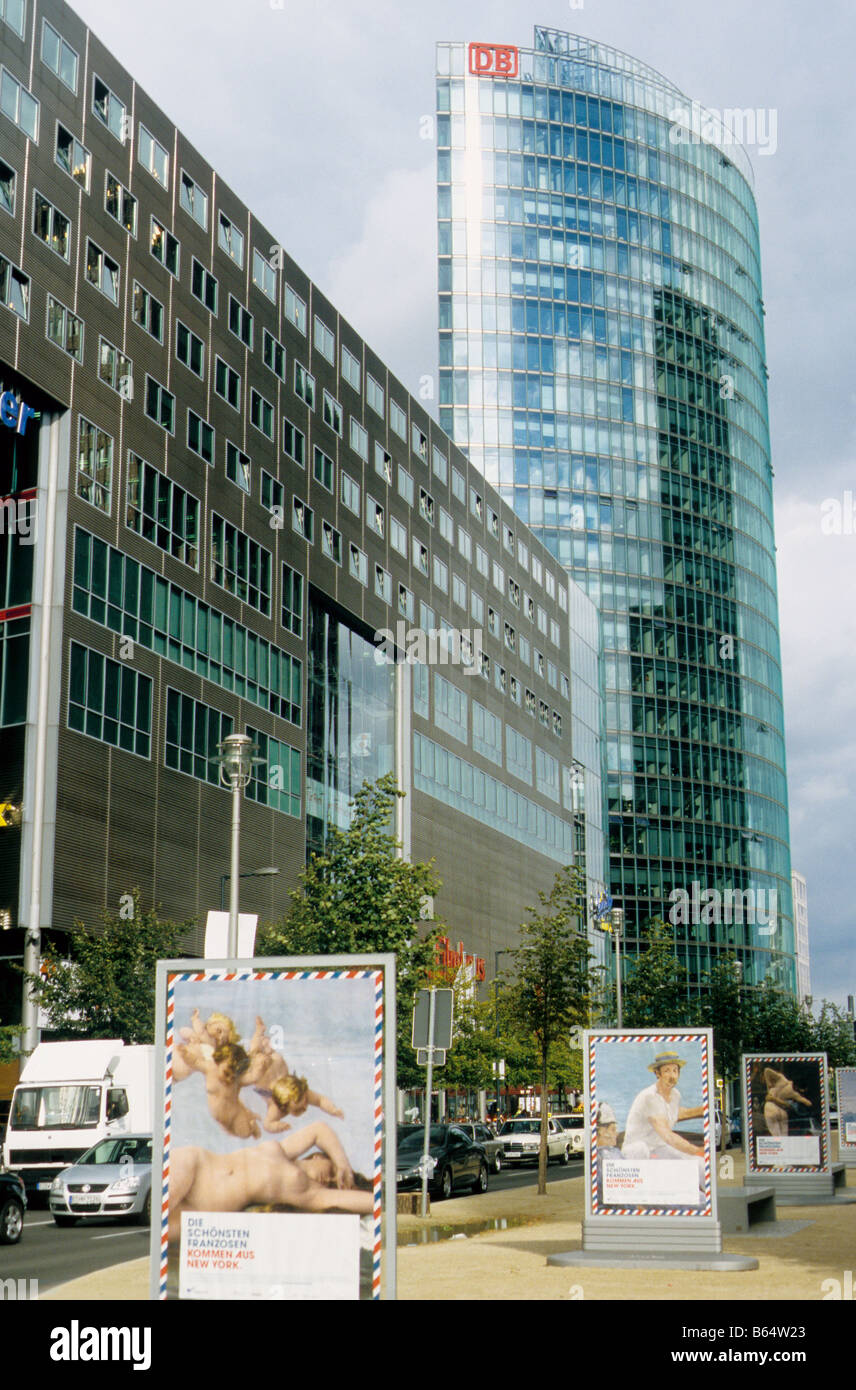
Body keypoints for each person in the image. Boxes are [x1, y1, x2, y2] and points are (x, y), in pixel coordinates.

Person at [167, 1121, 373, 1241]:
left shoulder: (310, 1193)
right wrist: (342, 1164)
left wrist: (348, 1184)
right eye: (331, 1172)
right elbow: (319, 1129)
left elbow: (370, 1201)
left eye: (331, 1184)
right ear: (318, 1156)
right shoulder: (283, 1150)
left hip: (205, 1207)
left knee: (162, 1233)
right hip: (196, 1164)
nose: (328, 1179)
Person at [177, 1039, 262, 1140]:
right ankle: (248, 1115)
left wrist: (260, 1068)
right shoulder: (209, 1068)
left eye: (234, 1076)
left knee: (244, 1133)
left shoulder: (237, 1079)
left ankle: (252, 1124)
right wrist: (184, 1054)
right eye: (227, 1073)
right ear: (219, 1060)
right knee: (229, 1133)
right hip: (220, 1119)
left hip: (235, 1115)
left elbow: (252, 1077)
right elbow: (195, 1062)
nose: (229, 1078)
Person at [260, 1074, 344, 1134]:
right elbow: (266, 1124)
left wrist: (332, 1109)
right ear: (284, 1108)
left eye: (306, 1101)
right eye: (297, 1110)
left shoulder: (303, 1093)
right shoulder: (276, 1110)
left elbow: (320, 1100)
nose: (305, 1108)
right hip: (265, 1084)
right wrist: (278, 1126)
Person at [761, 1066, 813, 1137]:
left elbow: (766, 1070)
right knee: (784, 1137)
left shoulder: (781, 1079)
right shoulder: (795, 1094)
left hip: (771, 1107)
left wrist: (769, 1086)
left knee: (776, 1136)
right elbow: (808, 1103)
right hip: (782, 1111)